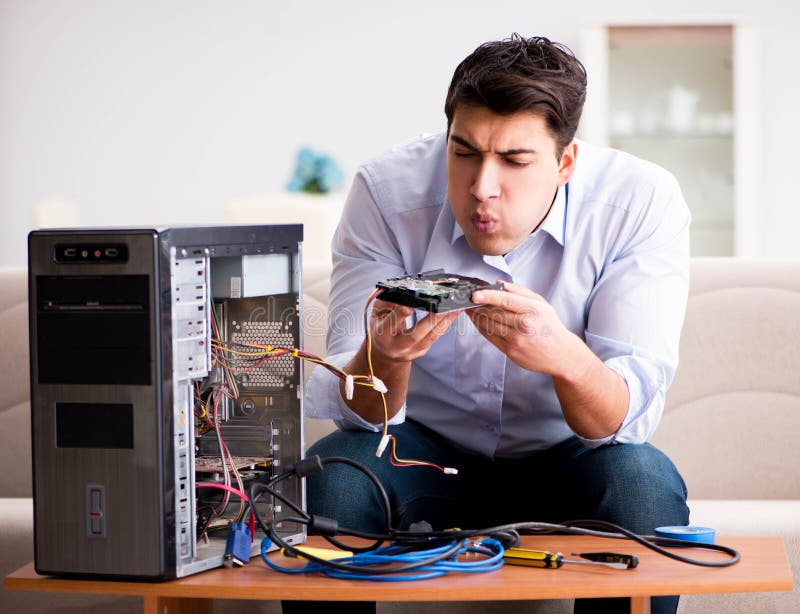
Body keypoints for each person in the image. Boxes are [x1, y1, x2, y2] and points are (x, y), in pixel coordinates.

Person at [294, 34, 691, 614]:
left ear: (565, 162)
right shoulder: (385, 192)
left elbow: (619, 421)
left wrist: (564, 356)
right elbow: (358, 412)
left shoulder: (639, 203)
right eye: (464, 152)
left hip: (569, 457)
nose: (482, 187)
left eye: (515, 160)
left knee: (641, 483)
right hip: (421, 454)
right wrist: (387, 356)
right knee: (335, 475)